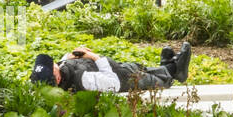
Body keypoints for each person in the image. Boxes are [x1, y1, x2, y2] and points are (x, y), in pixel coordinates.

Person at [31, 41, 191, 93]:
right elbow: (113, 82)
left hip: (120, 69)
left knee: (141, 68)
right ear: (56, 78)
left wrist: (72, 55)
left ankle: (168, 65)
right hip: (123, 80)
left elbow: (62, 62)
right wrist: (94, 57)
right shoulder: (83, 80)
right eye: (52, 67)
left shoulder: (60, 70)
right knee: (151, 78)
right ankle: (176, 71)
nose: (54, 64)